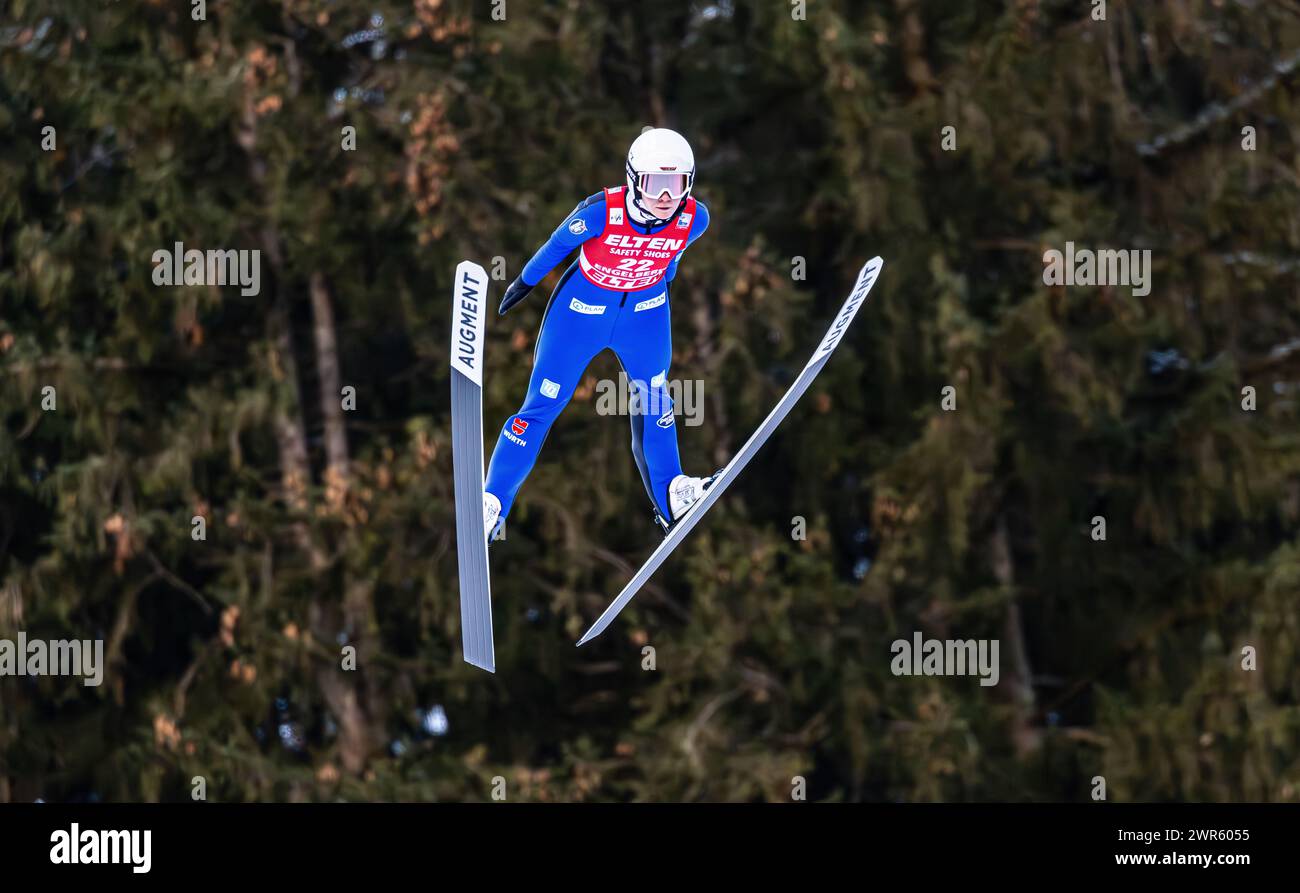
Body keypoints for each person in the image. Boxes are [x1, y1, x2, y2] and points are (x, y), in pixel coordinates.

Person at [482, 127, 719, 543]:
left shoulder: (694, 219)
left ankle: (672, 496)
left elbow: (673, 259)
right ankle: (494, 502)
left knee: (656, 397)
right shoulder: (600, 212)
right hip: (580, 315)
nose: (666, 196)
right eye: (655, 184)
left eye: (676, 183)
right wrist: (523, 282)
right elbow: (557, 247)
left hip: (644, 317)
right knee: (542, 405)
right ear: (633, 179)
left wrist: (660, 284)